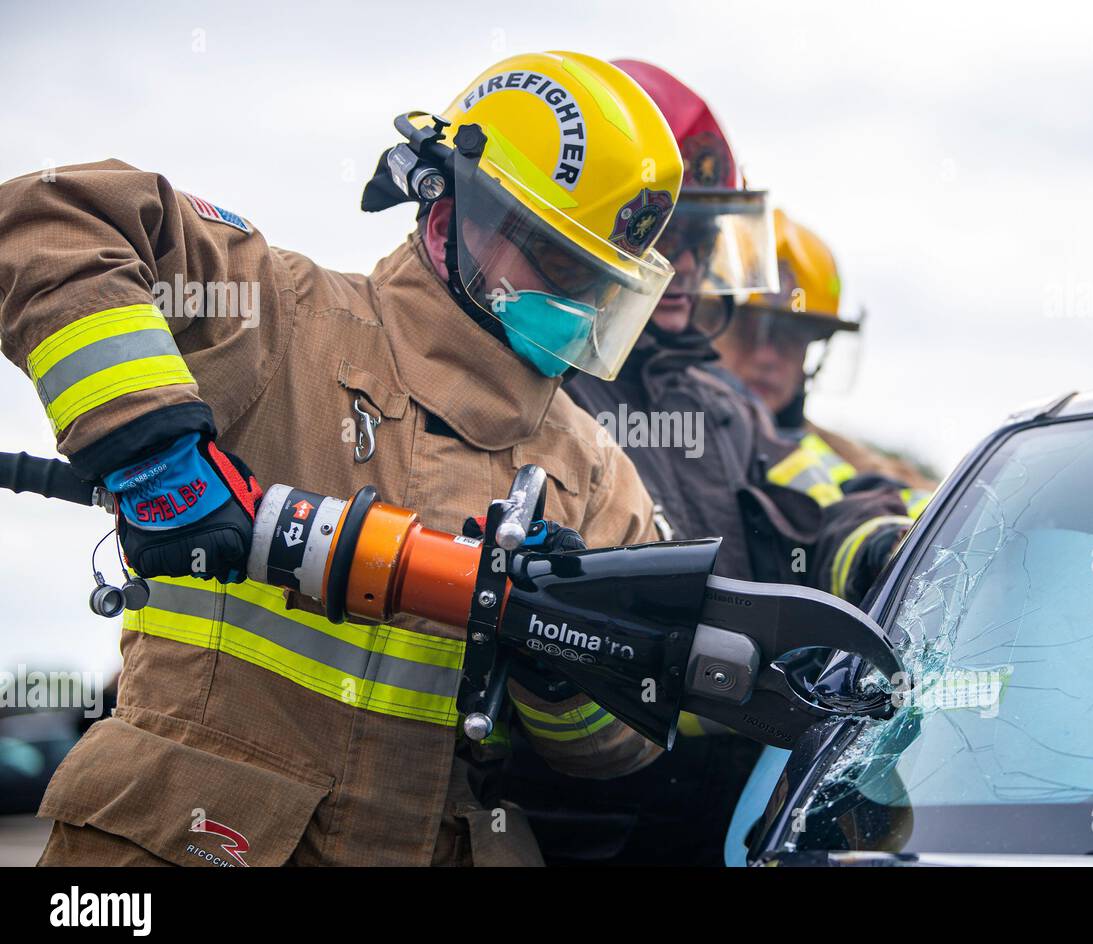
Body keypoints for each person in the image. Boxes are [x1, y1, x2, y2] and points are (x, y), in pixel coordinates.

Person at [0, 51, 684, 866]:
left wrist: (562, 662)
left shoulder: (596, 472)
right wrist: (150, 447)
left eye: (602, 284)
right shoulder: (281, 320)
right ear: (449, 214)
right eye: (558, 263)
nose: (580, 305)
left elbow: (623, 746)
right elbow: (47, 220)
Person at [496, 60, 915, 866]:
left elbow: (823, 496)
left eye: (702, 241)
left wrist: (888, 546)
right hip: (569, 811)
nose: (689, 266)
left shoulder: (719, 403)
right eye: (667, 236)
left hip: (728, 802)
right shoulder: (536, 384)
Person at [714, 208, 936, 497]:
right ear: (709, 327)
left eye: (791, 337)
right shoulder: (663, 432)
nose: (768, 357)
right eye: (748, 333)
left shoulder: (846, 460)